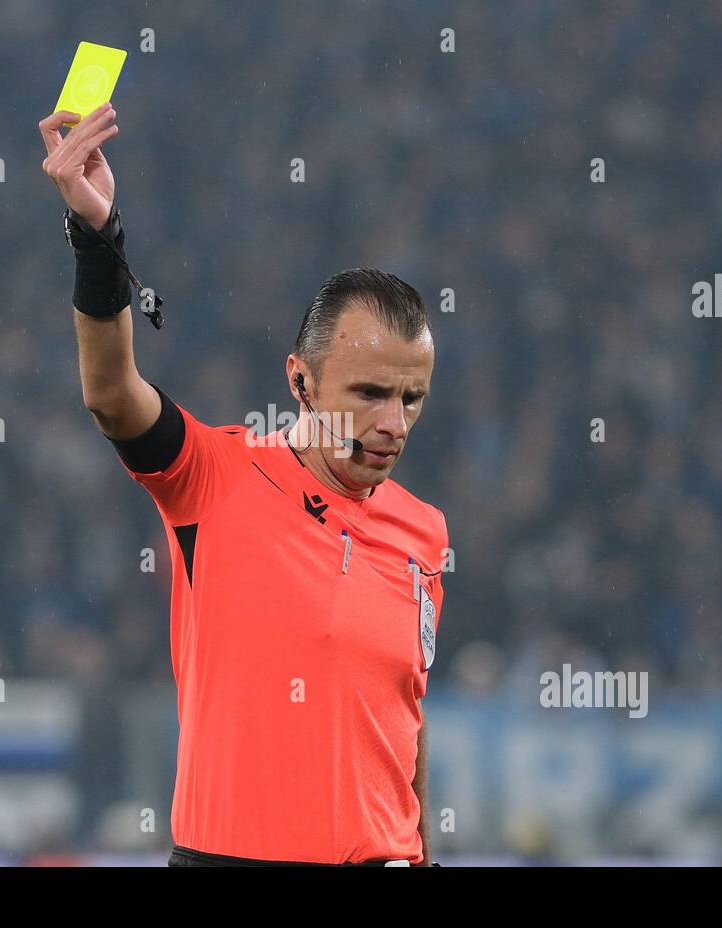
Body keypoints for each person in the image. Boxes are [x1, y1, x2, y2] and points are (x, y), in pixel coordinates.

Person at [39, 104, 447, 866]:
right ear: (300, 379)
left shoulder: (425, 531)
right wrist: (98, 240)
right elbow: (111, 393)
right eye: (367, 394)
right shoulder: (215, 476)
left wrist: (425, 851)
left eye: (412, 398)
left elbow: (404, 719)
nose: (394, 423)